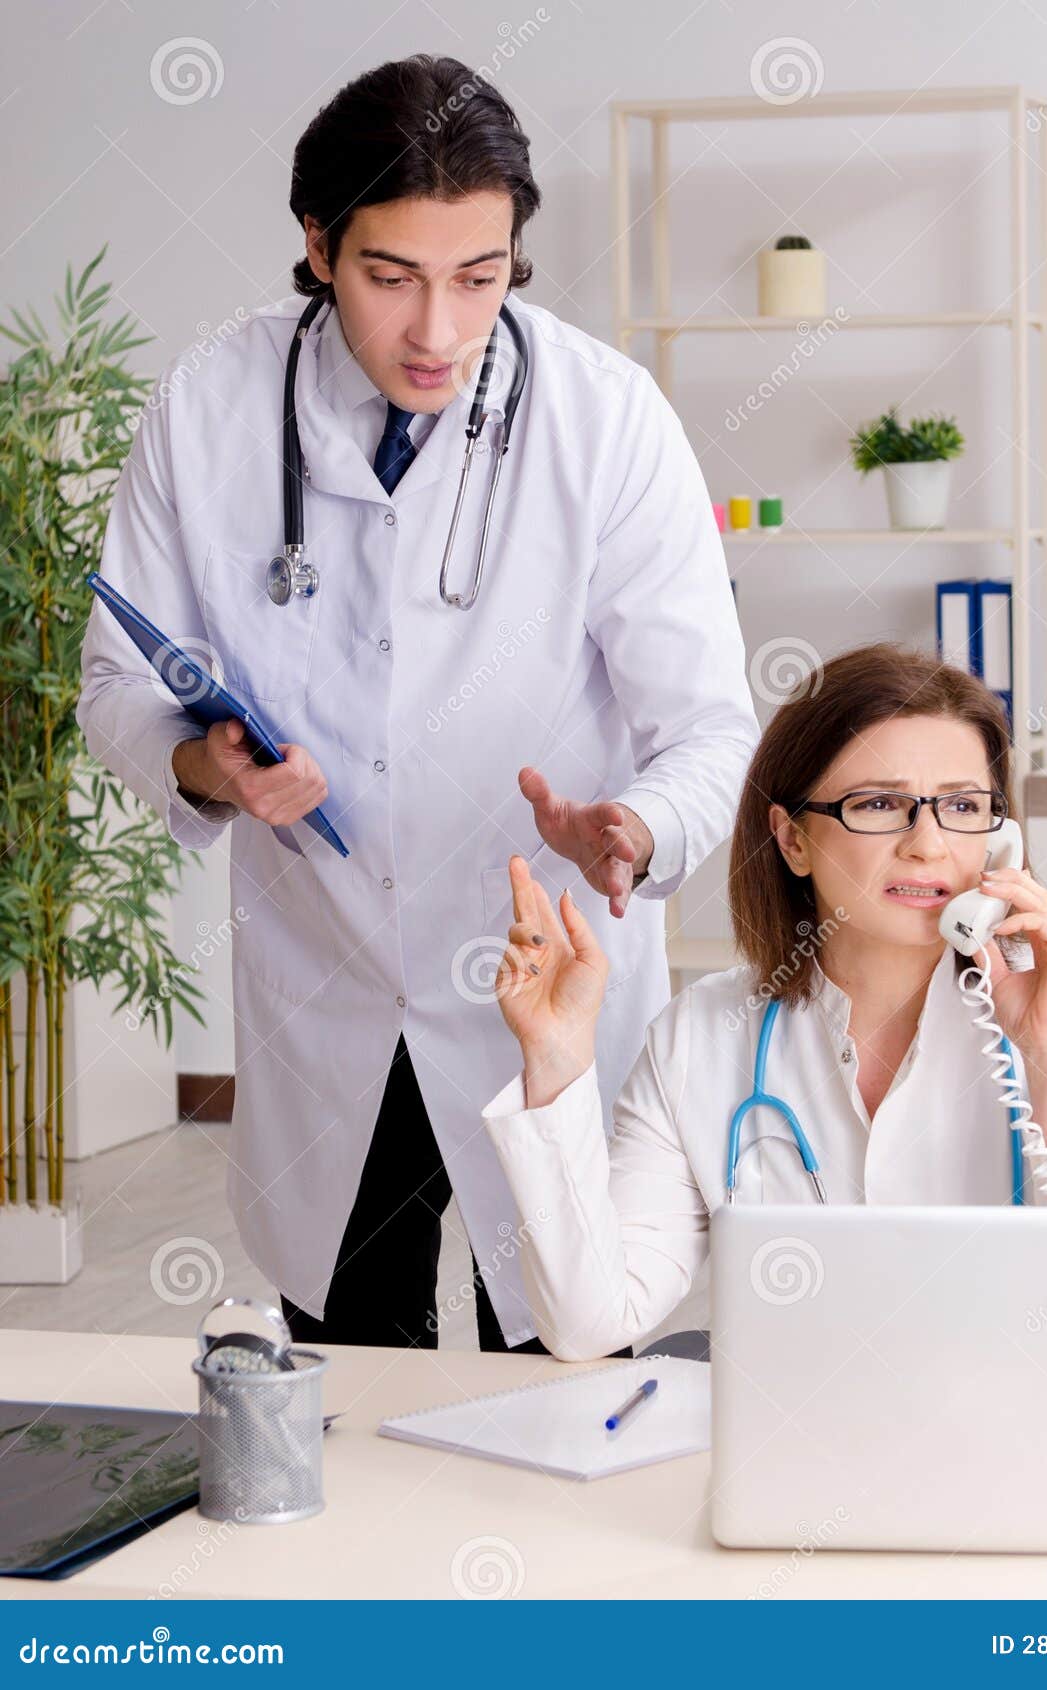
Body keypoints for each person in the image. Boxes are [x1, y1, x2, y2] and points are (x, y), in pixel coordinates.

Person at [76, 54, 758, 1352]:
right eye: (391, 278)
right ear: (319, 246)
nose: (438, 331)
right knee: (339, 1381)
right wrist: (210, 766)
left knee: (565, 1363)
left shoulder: (604, 420)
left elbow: (712, 726)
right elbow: (117, 682)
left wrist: (637, 824)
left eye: (479, 277)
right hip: (328, 975)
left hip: (539, 980)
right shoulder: (208, 409)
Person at [481, 643, 1047, 1360]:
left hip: (1018, 1422)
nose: (928, 845)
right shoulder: (702, 1035)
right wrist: (556, 1061)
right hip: (789, 1424)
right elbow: (592, 1323)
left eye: (962, 806)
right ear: (792, 840)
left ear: (998, 838)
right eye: (879, 804)